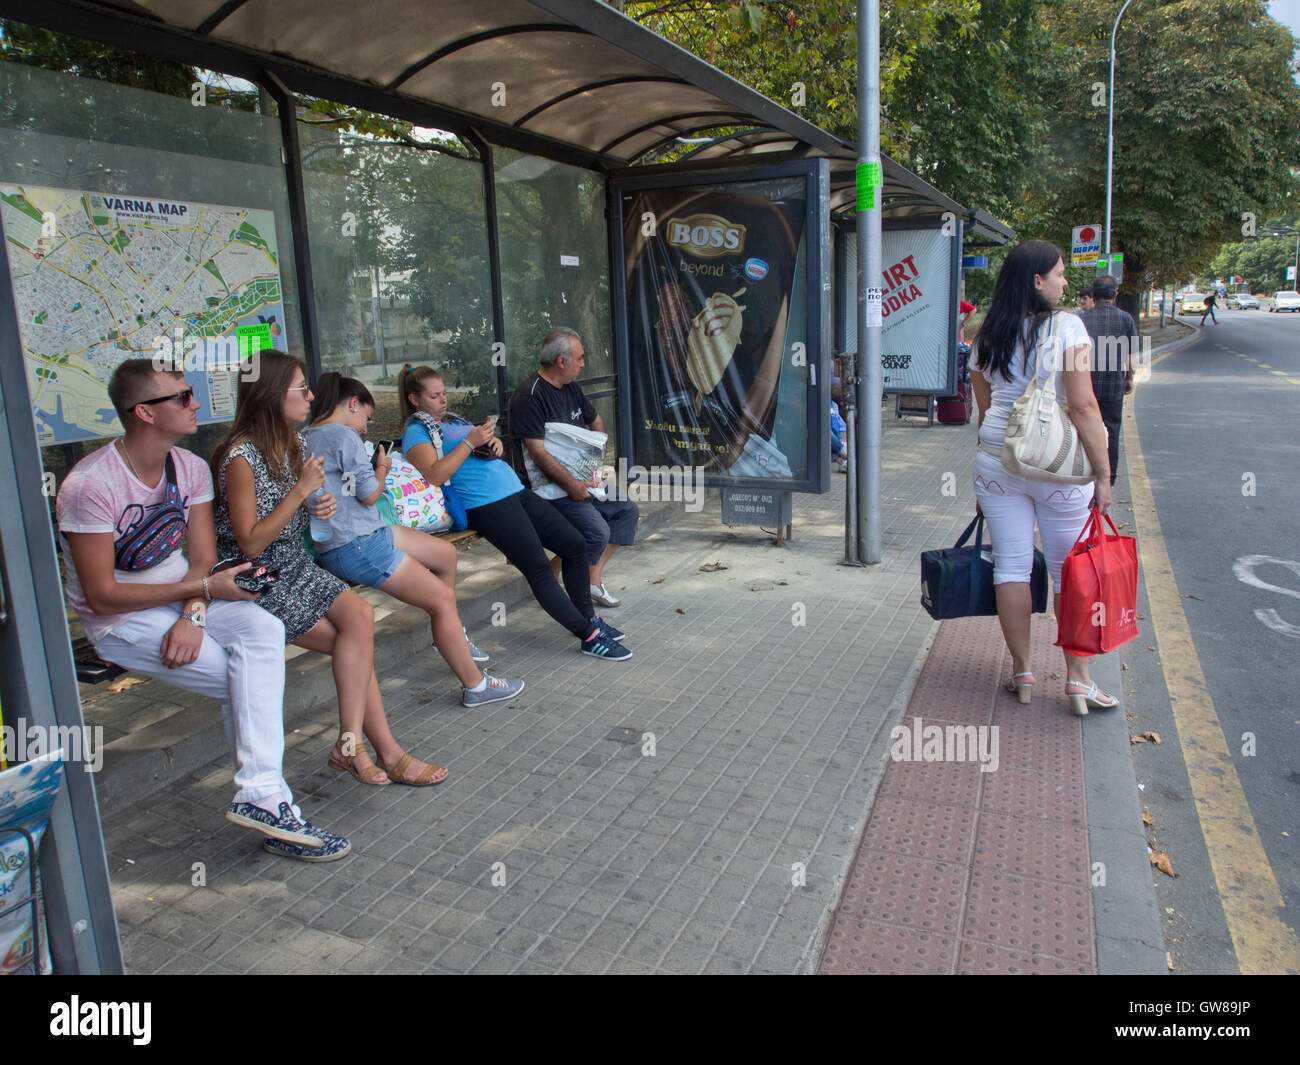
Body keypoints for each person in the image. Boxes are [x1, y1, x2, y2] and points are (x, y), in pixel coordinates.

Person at [56, 359, 349, 861]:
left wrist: (195, 609)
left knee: (262, 628)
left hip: (188, 595)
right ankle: (268, 801)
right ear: (144, 412)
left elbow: (203, 559)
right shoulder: (90, 486)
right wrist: (199, 594)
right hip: (123, 619)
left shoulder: (189, 467)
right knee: (247, 679)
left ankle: (263, 798)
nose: (197, 404)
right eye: (183, 397)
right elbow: (102, 595)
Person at [211, 352, 448, 787]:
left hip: (296, 564)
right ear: (270, 394)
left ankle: (353, 745)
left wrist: (317, 502)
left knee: (359, 621)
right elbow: (250, 540)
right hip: (255, 576)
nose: (311, 396)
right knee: (351, 647)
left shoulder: (293, 443)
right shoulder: (241, 456)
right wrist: (301, 491)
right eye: (301, 388)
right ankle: (379, 753)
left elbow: (307, 508)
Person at [302, 372, 524, 707]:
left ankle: (449, 633)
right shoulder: (344, 436)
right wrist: (382, 466)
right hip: (359, 543)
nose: (365, 426)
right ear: (352, 404)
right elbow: (369, 493)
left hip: (357, 534)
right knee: (441, 600)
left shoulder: (306, 435)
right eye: (366, 416)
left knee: (445, 556)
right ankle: (475, 685)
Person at [969, 239, 1116, 717]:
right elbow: (1082, 406)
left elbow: (986, 410)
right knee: (1068, 571)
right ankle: (1078, 681)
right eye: (1059, 273)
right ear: (1037, 280)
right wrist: (1104, 472)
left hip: (998, 461)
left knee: (1010, 565)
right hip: (1057, 467)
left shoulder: (985, 332)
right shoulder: (1069, 327)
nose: (1066, 281)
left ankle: (1024, 672)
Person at [398, 364, 631, 661]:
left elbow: (475, 453)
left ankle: (589, 620)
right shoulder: (415, 432)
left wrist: (492, 445)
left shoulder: (451, 420)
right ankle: (588, 636)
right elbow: (434, 475)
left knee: (574, 544)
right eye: (434, 396)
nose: (443, 400)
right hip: (486, 505)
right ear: (414, 400)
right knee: (539, 569)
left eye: (444, 393)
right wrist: (470, 441)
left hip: (514, 492)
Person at [509, 329, 639, 608]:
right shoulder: (529, 397)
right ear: (561, 361)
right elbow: (537, 452)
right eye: (579, 358)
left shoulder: (571, 387)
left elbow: (596, 422)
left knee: (626, 510)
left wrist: (596, 460)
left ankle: (589, 580)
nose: (583, 364)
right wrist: (572, 485)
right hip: (547, 487)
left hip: (582, 477)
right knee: (596, 532)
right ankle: (566, 593)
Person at [1079, 274, 1138, 486]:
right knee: (1112, 429)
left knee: (1084, 428)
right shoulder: (1125, 319)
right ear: (1116, 295)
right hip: (1113, 385)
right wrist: (1129, 377)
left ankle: (1084, 471)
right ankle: (1109, 477)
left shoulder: (1081, 320)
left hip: (1085, 385)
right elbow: (1132, 357)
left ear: (1093, 295)